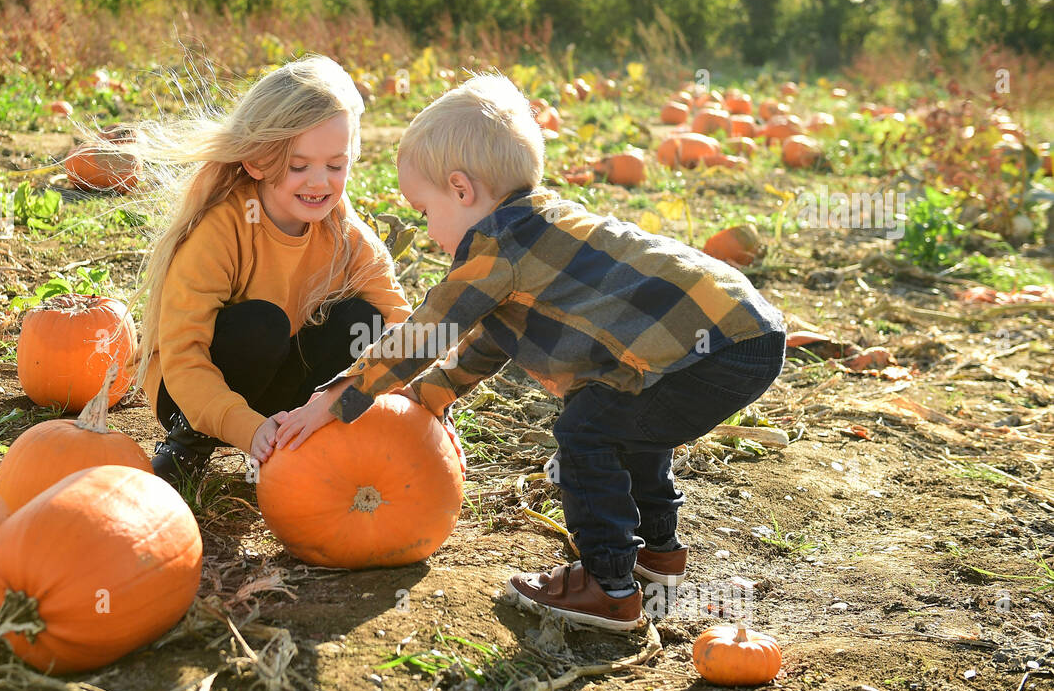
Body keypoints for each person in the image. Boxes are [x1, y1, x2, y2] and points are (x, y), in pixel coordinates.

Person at [275, 73, 786, 633]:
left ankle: (608, 587)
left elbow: (426, 333)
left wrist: (338, 398)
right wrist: (430, 398)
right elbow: (494, 338)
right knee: (629, 427)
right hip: (738, 335)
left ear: (462, 190)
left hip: (711, 345)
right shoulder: (545, 228)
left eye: (425, 212)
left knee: (587, 434)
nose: (427, 232)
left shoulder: (496, 252)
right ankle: (655, 557)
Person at [128, 55, 412, 481]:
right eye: (299, 166)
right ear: (257, 161)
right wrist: (248, 428)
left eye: (336, 165)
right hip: (191, 392)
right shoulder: (224, 228)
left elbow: (404, 324)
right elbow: (184, 358)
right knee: (263, 323)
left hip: (282, 388)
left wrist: (424, 402)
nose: (320, 182)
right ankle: (188, 448)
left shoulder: (346, 236)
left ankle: (301, 436)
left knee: (364, 321)